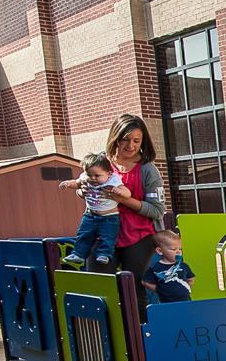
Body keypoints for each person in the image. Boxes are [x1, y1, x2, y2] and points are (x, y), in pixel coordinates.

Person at [98, 114, 167, 287]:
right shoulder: (100, 163)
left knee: (135, 287)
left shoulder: (148, 171)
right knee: (98, 285)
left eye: (136, 141)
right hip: (104, 232)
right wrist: (82, 191)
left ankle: (138, 315)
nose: (131, 146)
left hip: (138, 235)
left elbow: (157, 210)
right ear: (115, 138)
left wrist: (123, 200)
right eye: (125, 140)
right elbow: (85, 185)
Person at [58, 154, 127, 268]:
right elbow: (77, 183)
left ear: (109, 173)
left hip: (109, 217)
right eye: (90, 175)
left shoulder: (113, 180)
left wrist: (119, 191)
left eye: (97, 176)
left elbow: (127, 193)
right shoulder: (86, 177)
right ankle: (78, 254)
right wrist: (68, 184)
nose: (93, 178)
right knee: (83, 234)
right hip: (90, 215)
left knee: (108, 236)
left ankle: (105, 254)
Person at [140, 229, 195, 304]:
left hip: (186, 302)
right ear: (160, 251)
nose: (178, 251)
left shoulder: (183, 265)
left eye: (180, 249)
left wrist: (185, 287)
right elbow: (145, 282)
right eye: (173, 249)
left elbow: (191, 278)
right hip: (166, 303)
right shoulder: (156, 267)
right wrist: (160, 290)